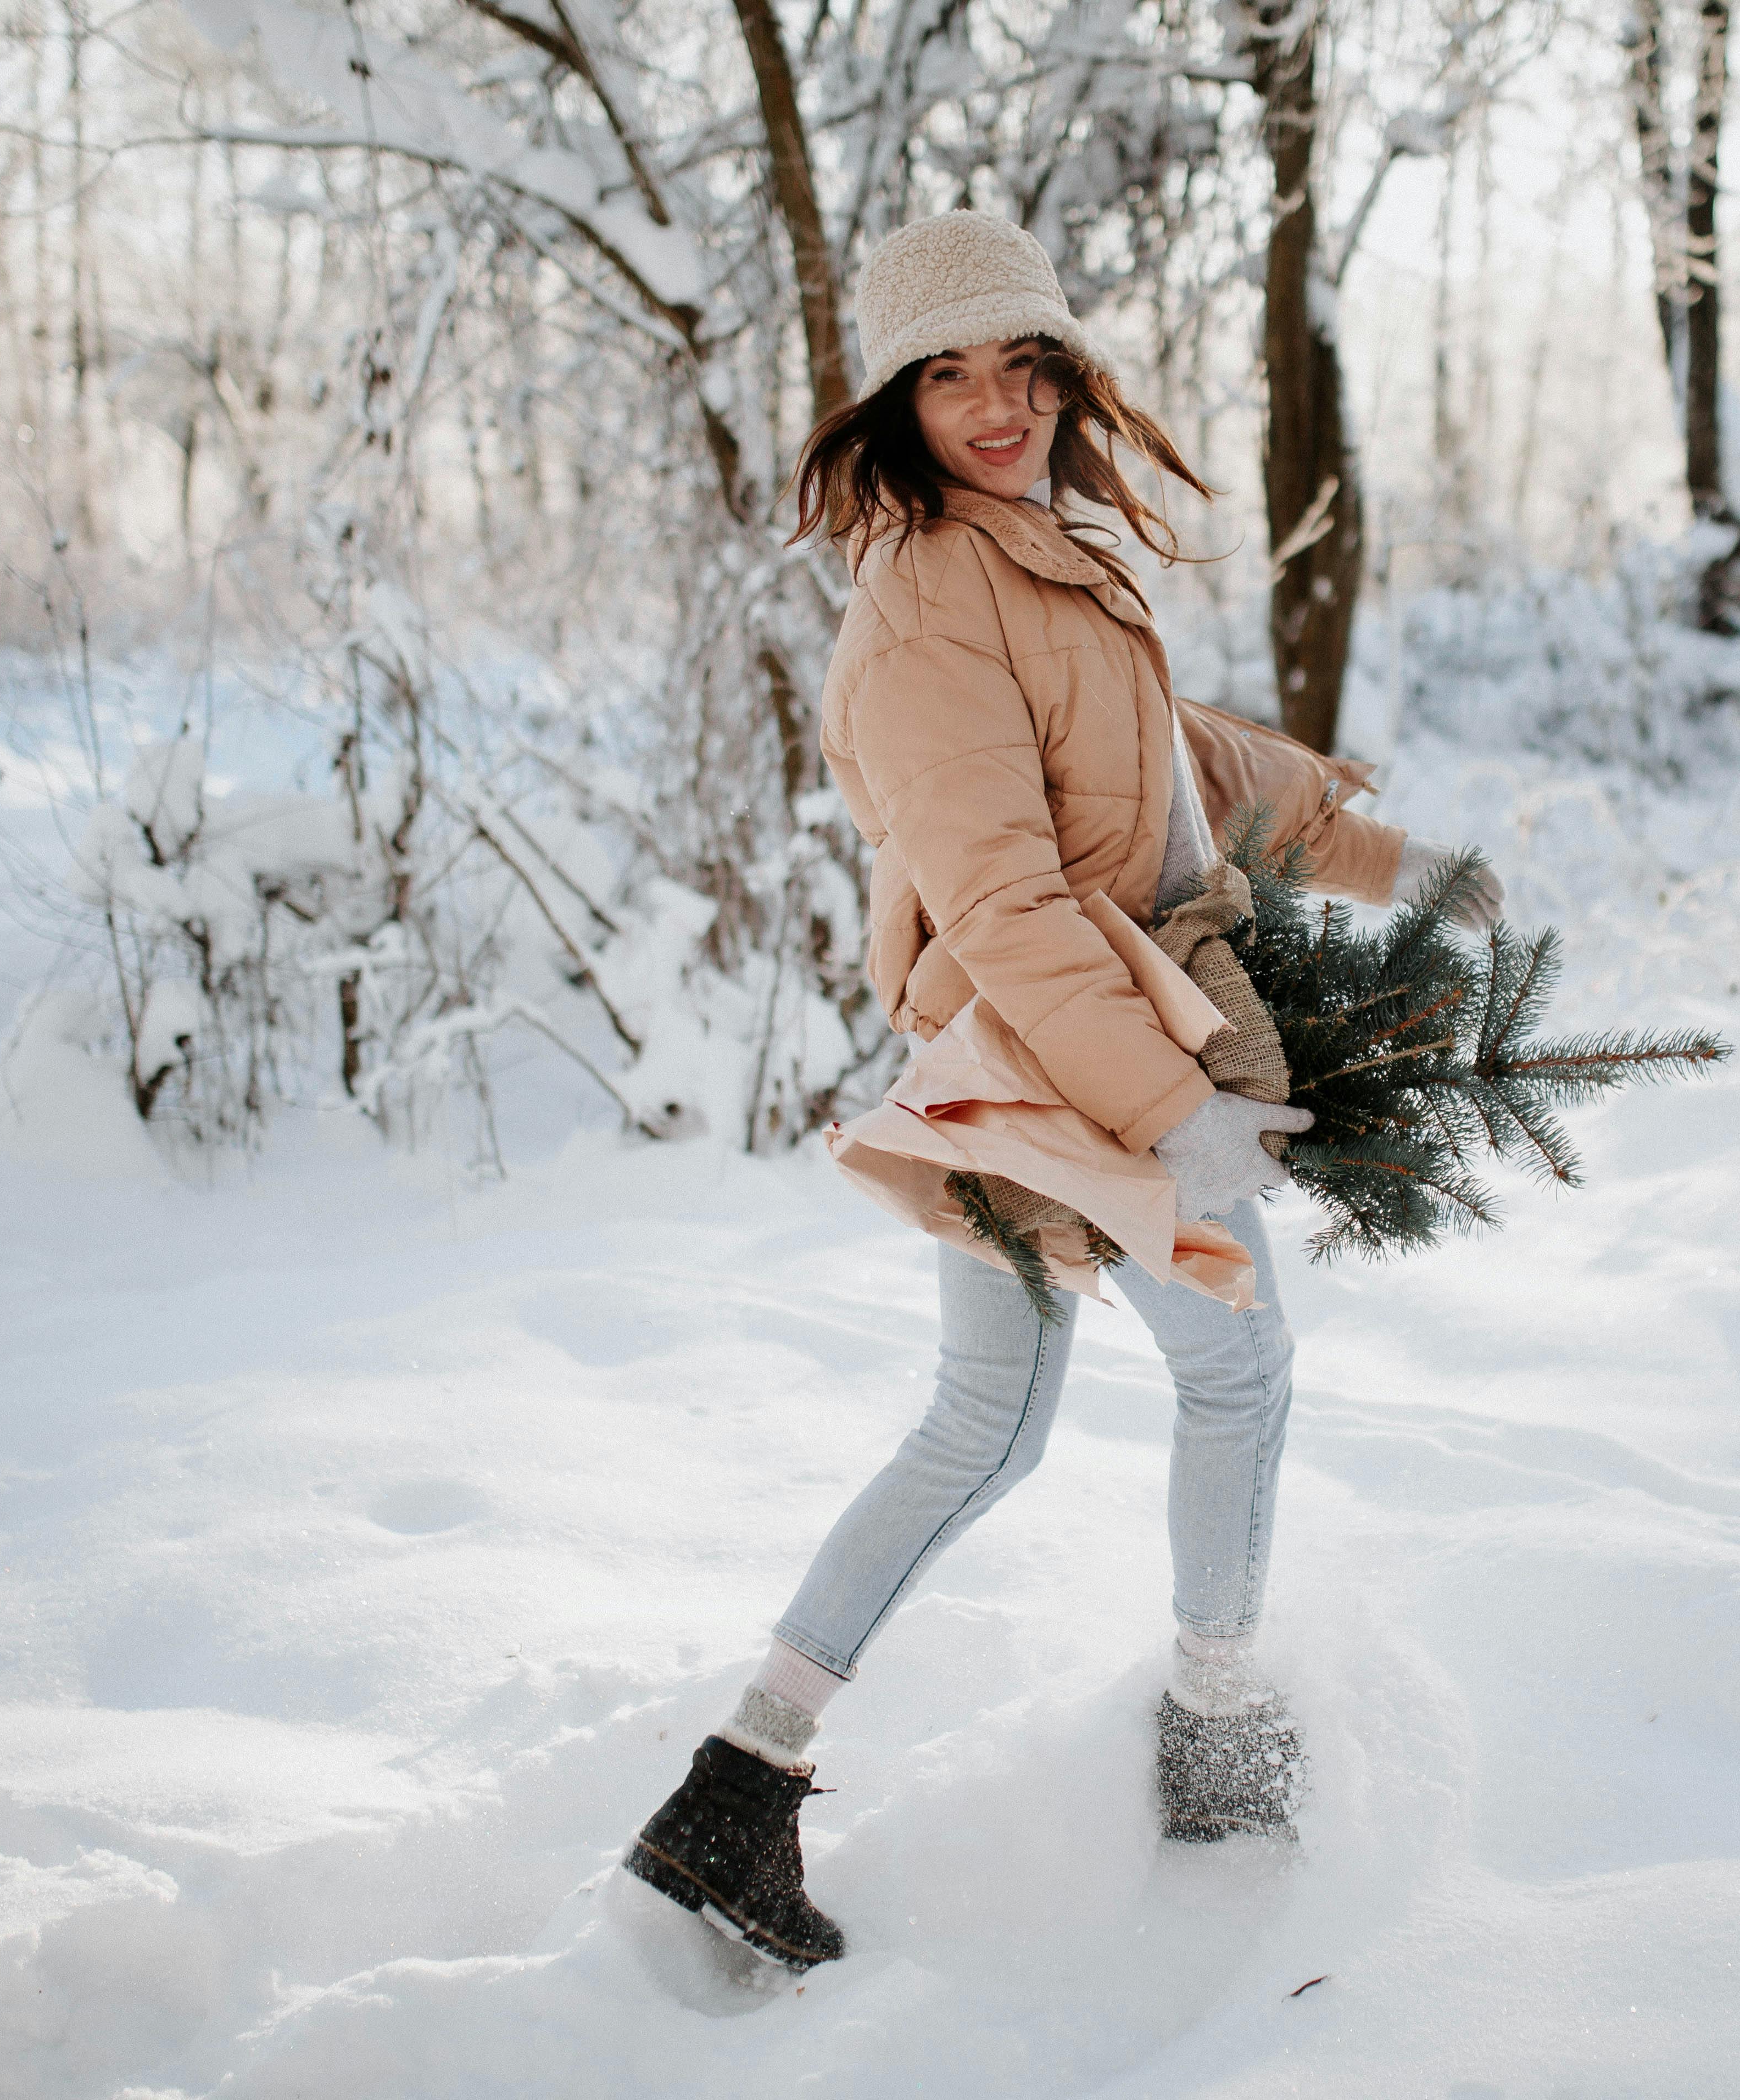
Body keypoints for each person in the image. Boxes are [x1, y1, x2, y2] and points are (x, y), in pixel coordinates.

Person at [621, 210, 1499, 1971]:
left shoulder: (1048, 543)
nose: (995, 405)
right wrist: (1168, 1110)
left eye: (1020, 363)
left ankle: (742, 1780)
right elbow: (1006, 894)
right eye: (950, 377)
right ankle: (1218, 1739)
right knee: (1236, 1376)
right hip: (1058, 1056)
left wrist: (1400, 863)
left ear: (1061, 371)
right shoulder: (926, 602)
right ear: (894, 402)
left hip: (1062, 1044)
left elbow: (1185, 765)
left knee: (984, 1425)